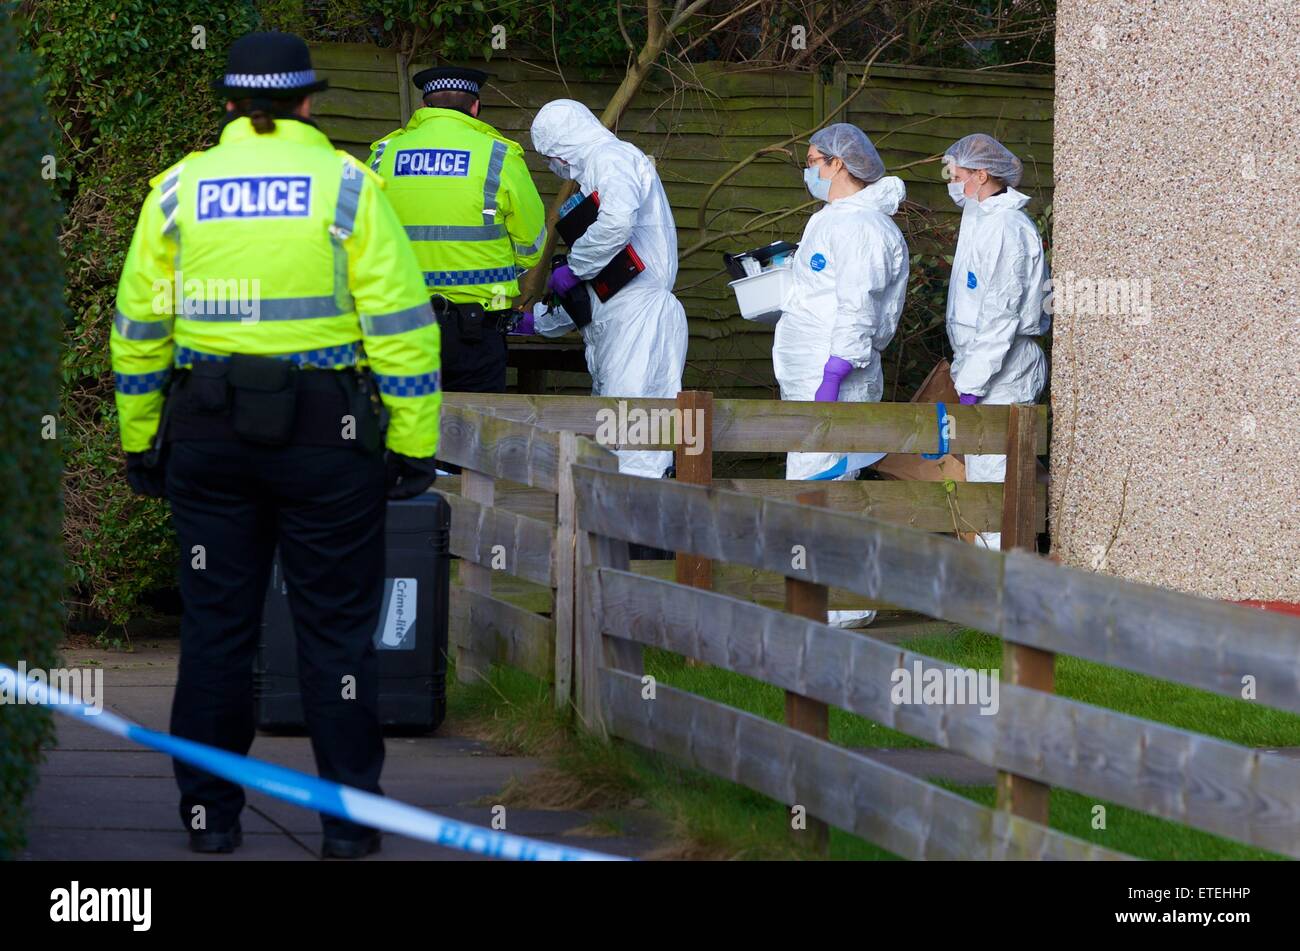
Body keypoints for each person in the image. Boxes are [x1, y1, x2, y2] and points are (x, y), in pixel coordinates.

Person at [110, 32, 441, 858]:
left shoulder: (178, 192)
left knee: (217, 627)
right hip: (327, 439)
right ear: (305, 102)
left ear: (228, 105)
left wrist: (141, 439)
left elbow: (139, 330)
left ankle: (210, 819)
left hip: (209, 432)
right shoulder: (348, 187)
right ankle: (346, 827)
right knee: (335, 632)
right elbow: (402, 332)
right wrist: (411, 446)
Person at [773, 123, 908, 627]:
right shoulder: (832, 219)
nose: (807, 170)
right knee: (814, 484)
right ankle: (820, 597)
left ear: (840, 165)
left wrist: (834, 370)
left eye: (813, 161)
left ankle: (842, 604)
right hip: (812, 378)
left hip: (834, 378)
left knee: (827, 486)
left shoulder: (862, 227)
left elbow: (858, 308)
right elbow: (819, 292)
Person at [529, 99, 688, 479]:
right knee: (621, 439)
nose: (554, 165)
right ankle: (625, 530)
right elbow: (601, 286)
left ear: (562, 146)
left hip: (639, 320)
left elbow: (616, 225)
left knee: (635, 440)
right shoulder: (600, 171)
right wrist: (540, 319)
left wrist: (575, 265)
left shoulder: (611, 157)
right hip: (625, 319)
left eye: (551, 155)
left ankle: (640, 535)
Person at [367, 67, 546, 396]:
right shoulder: (499, 155)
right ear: (475, 107)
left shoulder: (383, 154)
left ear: (424, 107)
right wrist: (504, 269)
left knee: (400, 433)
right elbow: (532, 242)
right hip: (476, 331)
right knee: (476, 435)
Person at [943, 132, 1049, 550]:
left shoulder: (1006, 227)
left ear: (982, 175)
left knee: (997, 480)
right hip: (983, 367)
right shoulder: (983, 218)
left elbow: (1000, 316)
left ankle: (1003, 586)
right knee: (987, 475)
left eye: (957, 174)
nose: (951, 183)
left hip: (1003, 370)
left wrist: (971, 383)